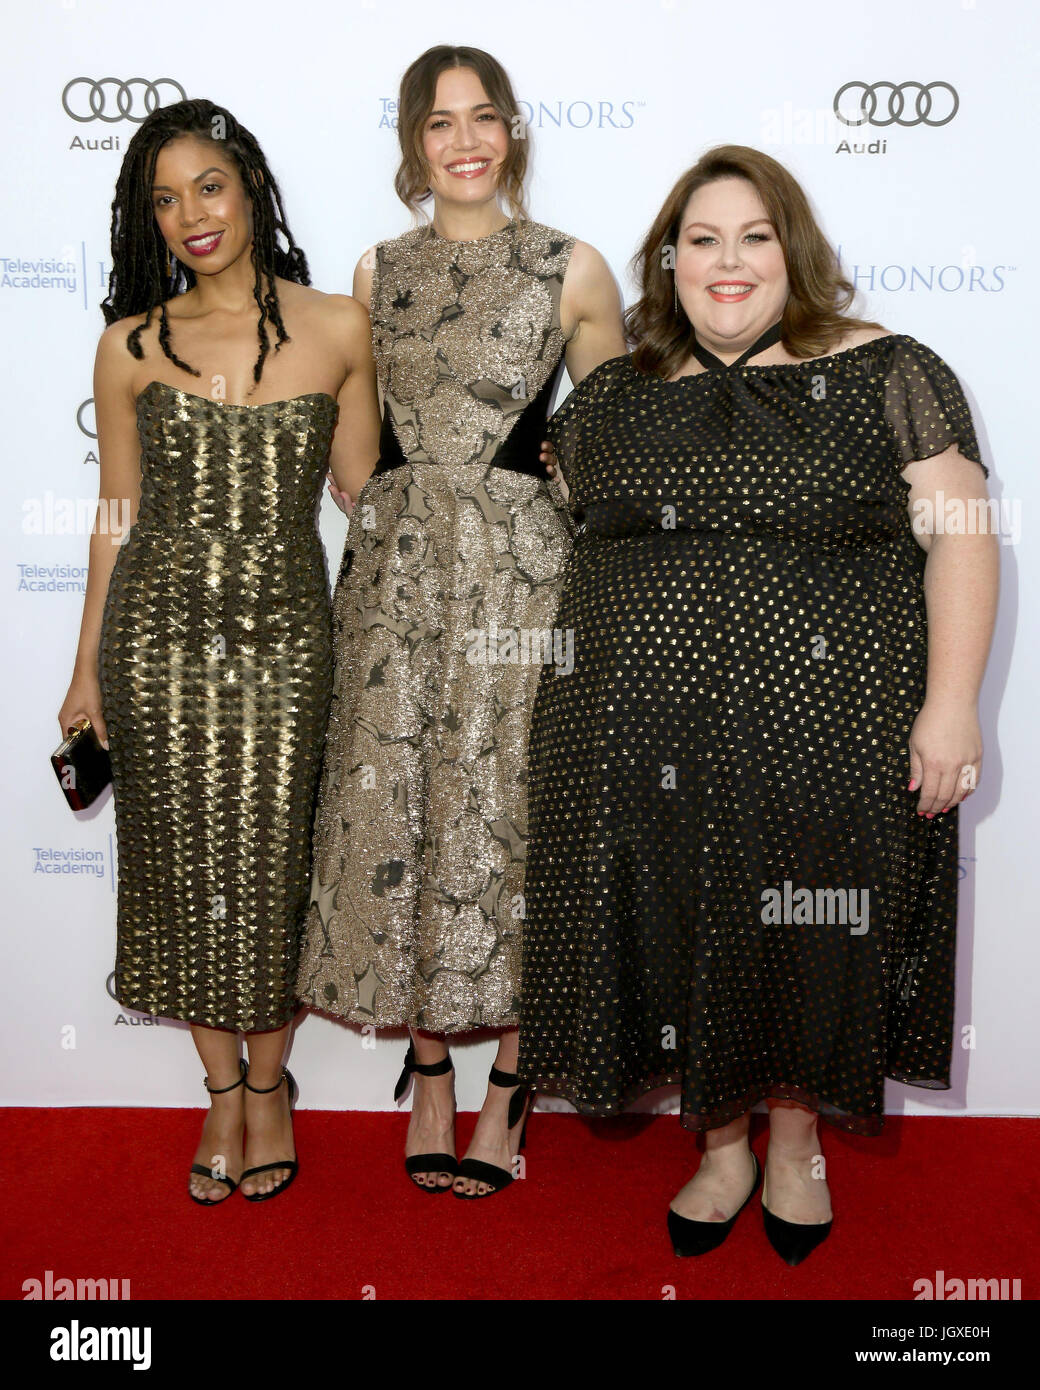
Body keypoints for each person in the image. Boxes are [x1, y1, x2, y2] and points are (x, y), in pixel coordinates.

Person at [519, 144, 998, 1261]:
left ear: (793, 250)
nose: (725, 262)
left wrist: (952, 705)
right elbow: (571, 534)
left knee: (806, 930)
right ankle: (719, 1142)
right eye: (700, 240)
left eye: (752, 237)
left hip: (826, 728)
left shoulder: (886, 368)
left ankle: (794, 1145)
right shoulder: (613, 396)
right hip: (636, 735)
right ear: (667, 261)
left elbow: (962, 540)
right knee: (680, 928)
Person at [295, 45, 626, 1198]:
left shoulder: (570, 266)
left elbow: (618, 439)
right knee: (403, 802)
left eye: (483, 118)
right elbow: (359, 447)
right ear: (410, 142)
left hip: (523, 583)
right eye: (438, 124)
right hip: (394, 582)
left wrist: (557, 469)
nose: (463, 141)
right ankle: (427, 1070)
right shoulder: (373, 269)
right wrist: (379, 495)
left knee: (514, 812)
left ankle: (514, 1083)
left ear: (514, 131)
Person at [57, 99, 380, 1205]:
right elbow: (115, 517)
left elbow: (366, 494)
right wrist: (87, 668)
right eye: (163, 199)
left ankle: (274, 1083)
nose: (189, 214)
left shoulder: (338, 325)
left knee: (276, 866)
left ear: (249, 188)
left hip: (290, 639)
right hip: (157, 641)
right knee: (178, 873)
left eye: (207, 186)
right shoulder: (130, 345)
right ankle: (219, 1090)